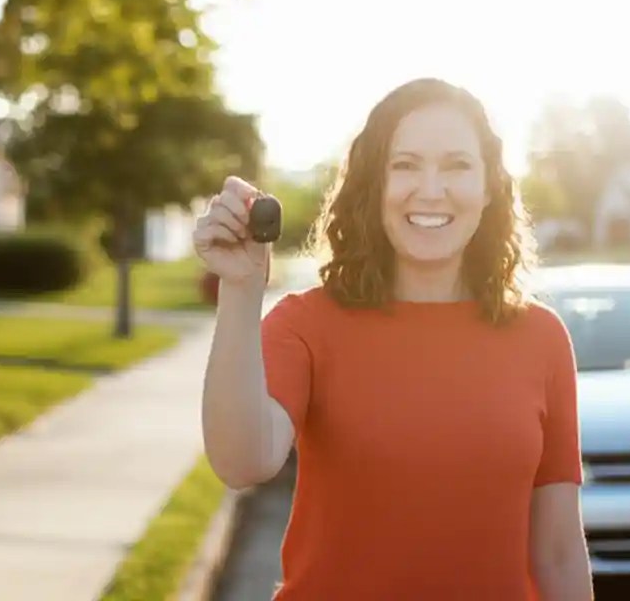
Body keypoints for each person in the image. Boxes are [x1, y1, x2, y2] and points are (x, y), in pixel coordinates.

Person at [196, 77, 592, 600]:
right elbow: (240, 461)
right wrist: (242, 289)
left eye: (457, 165)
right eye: (404, 165)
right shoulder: (306, 325)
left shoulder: (541, 338)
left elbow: (560, 552)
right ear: (372, 185)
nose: (431, 189)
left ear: (490, 185)